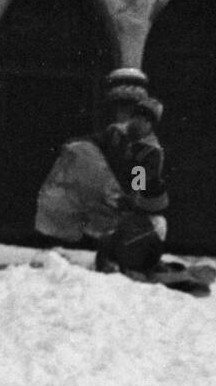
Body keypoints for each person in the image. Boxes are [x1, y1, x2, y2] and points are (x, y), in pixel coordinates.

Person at [34, 95, 169, 274]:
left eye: (147, 120)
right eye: (139, 116)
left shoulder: (150, 152)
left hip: (125, 203)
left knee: (130, 225)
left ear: (152, 126)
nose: (141, 122)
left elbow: (140, 183)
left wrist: (127, 198)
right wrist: (75, 145)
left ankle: (117, 260)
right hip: (98, 194)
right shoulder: (115, 133)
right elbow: (92, 144)